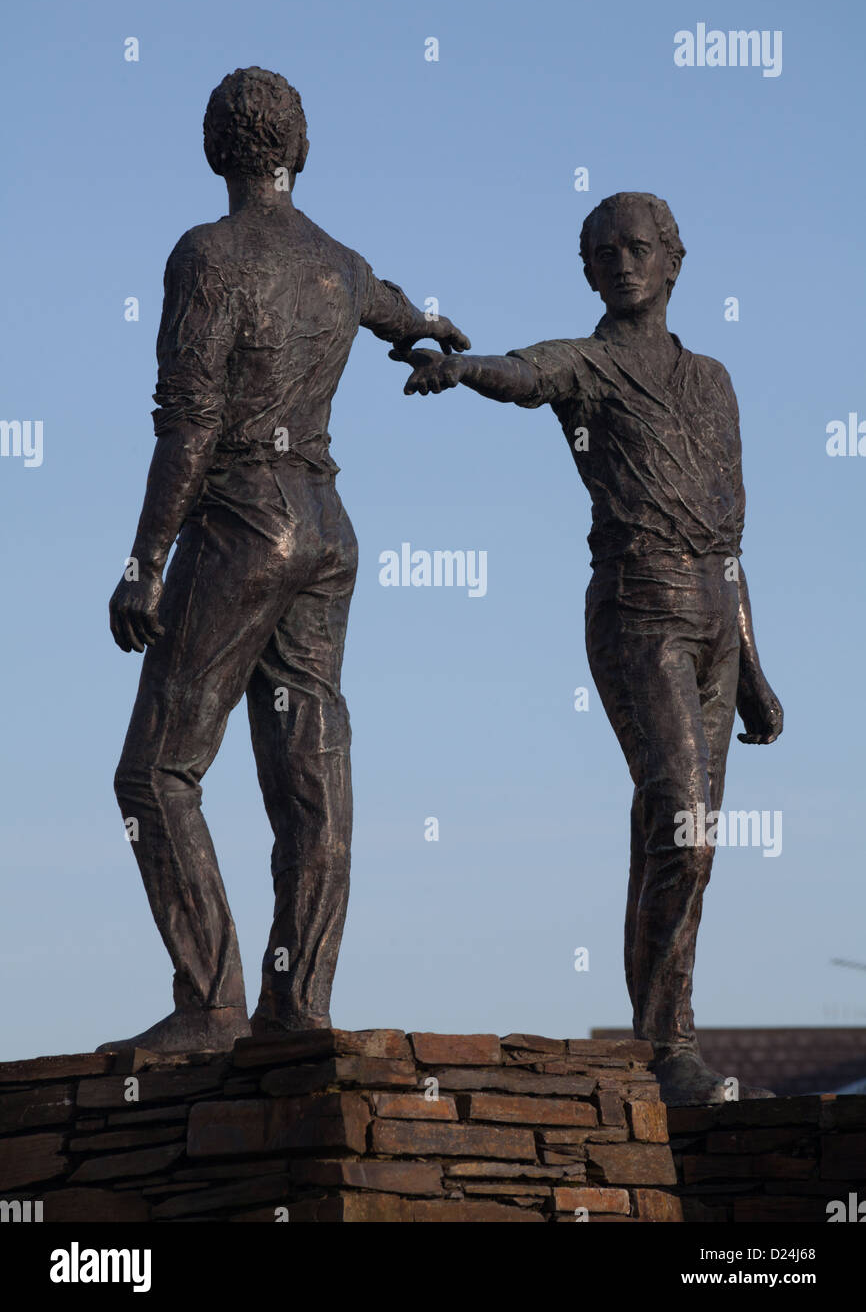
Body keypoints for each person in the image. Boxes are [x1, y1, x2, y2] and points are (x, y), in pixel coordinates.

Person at [101, 67, 469, 1055]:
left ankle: (214, 1000)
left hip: (241, 526)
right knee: (308, 775)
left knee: (155, 773)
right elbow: (397, 308)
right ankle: (297, 1006)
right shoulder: (338, 267)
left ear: (217, 150)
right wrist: (433, 337)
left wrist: (144, 558)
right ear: (298, 151)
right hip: (326, 529)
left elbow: (191, 420)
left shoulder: (207, 256)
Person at [392, 192, 783, 1104]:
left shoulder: (714, 380)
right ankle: (667, 1045)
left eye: (638, 247)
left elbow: (732, 537)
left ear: (676, 260)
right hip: (637, 606)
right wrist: (459, 372)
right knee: (679, 818)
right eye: (602, 251)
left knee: (691, 839)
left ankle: (667, 1040)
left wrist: (756, 668)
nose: (621, 262)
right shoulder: (592, 364)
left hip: (718, 618)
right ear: (587, 269)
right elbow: (529, 373)